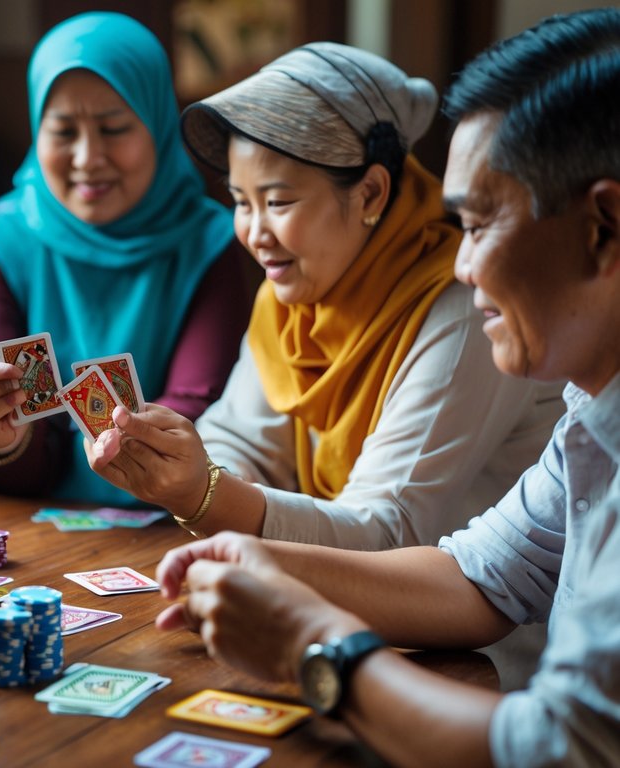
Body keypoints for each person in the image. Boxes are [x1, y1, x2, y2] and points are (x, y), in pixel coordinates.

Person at [154, 8, 620, 764]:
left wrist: (314, 640)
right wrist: (264, 563)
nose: (463, 267)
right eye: (243, 203)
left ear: (601, 224)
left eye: (478, 225)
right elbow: (476, 578)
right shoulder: (591, 418)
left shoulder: (455, 314)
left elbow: (556, 745)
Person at [88, 42, 561, 550]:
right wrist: (195, 474)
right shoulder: (290, 300)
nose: (254, 232)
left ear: (371, 194)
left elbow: (388, 531)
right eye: (240, 201)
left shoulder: (466, 310)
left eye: (277, 201)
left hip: (458, 626)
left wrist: (208, 493)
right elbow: (241, 438)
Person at [0, 11, 254, 506]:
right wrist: (3, 440)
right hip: (33, 534)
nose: (88, 157)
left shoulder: (210, 241)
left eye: (113, 128)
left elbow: (208, 418)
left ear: (156, 123)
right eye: (64, 132)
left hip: (177, 525)